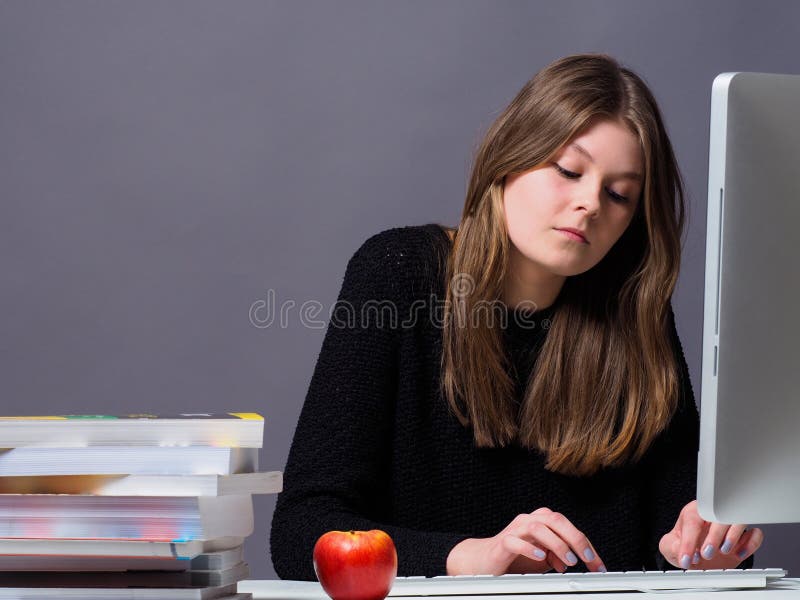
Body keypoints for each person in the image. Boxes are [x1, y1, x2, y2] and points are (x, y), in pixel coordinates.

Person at [269, 54, 764, 579]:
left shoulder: (637, 312)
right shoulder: (398, 273)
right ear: (510, 157)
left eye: (619, 195)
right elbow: (303, 532)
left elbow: (680, 535)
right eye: (568, 171)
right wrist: (473, 559)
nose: (590, 204)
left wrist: (709, 544)